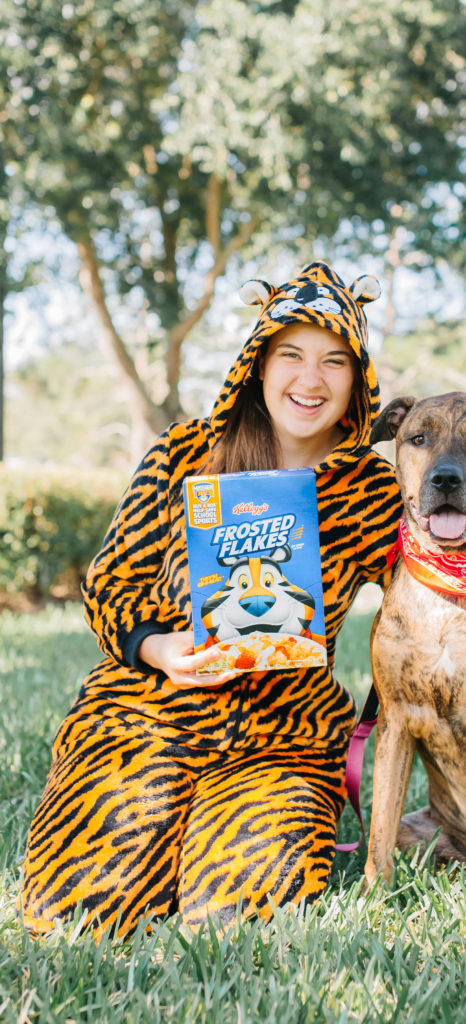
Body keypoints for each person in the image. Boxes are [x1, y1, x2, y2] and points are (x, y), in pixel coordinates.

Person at [20, 261, 403, 936]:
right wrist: (158, 648)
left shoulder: (372, 489)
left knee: (232, 914)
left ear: (357, 379)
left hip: (285, 738)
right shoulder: (184, 451)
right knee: (79, 913)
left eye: (334, 361)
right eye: (291, 355)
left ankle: (224, 839)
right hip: (144, 714)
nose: (310, 379)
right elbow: (110, 583)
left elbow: (432, 593)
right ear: (258, 364)